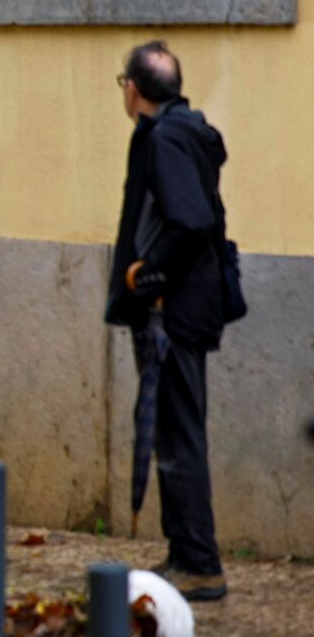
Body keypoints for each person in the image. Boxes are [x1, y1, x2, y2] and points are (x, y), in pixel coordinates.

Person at [103, 41, 230, 601]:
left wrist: (145, 277)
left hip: (171, 313)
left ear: (133, 89)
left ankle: (199, 563)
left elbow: (190, 222)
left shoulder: (166, 138)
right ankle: (186, 554)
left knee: (178, 437)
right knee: (175, 431)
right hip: (180, 308)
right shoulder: (181, 131)